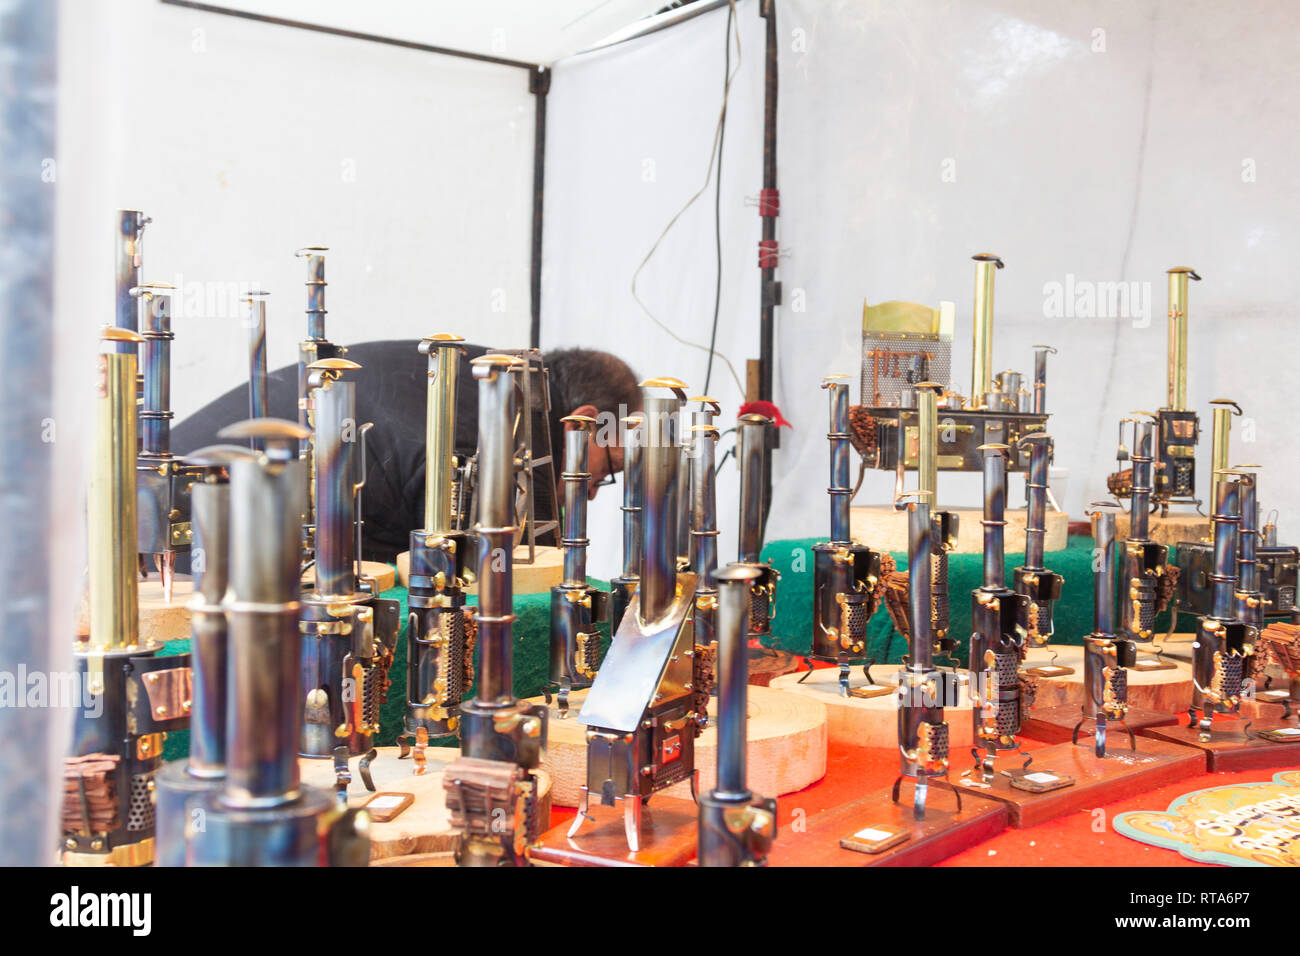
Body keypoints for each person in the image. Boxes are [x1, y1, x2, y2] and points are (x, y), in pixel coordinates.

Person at [172, 340, 642, 562]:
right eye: (607, 471)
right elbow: (512, 587)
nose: (594, 493)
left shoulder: (496, 389)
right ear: (581, 421)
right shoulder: (513, 428)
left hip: (170, 497)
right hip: (190, 528)